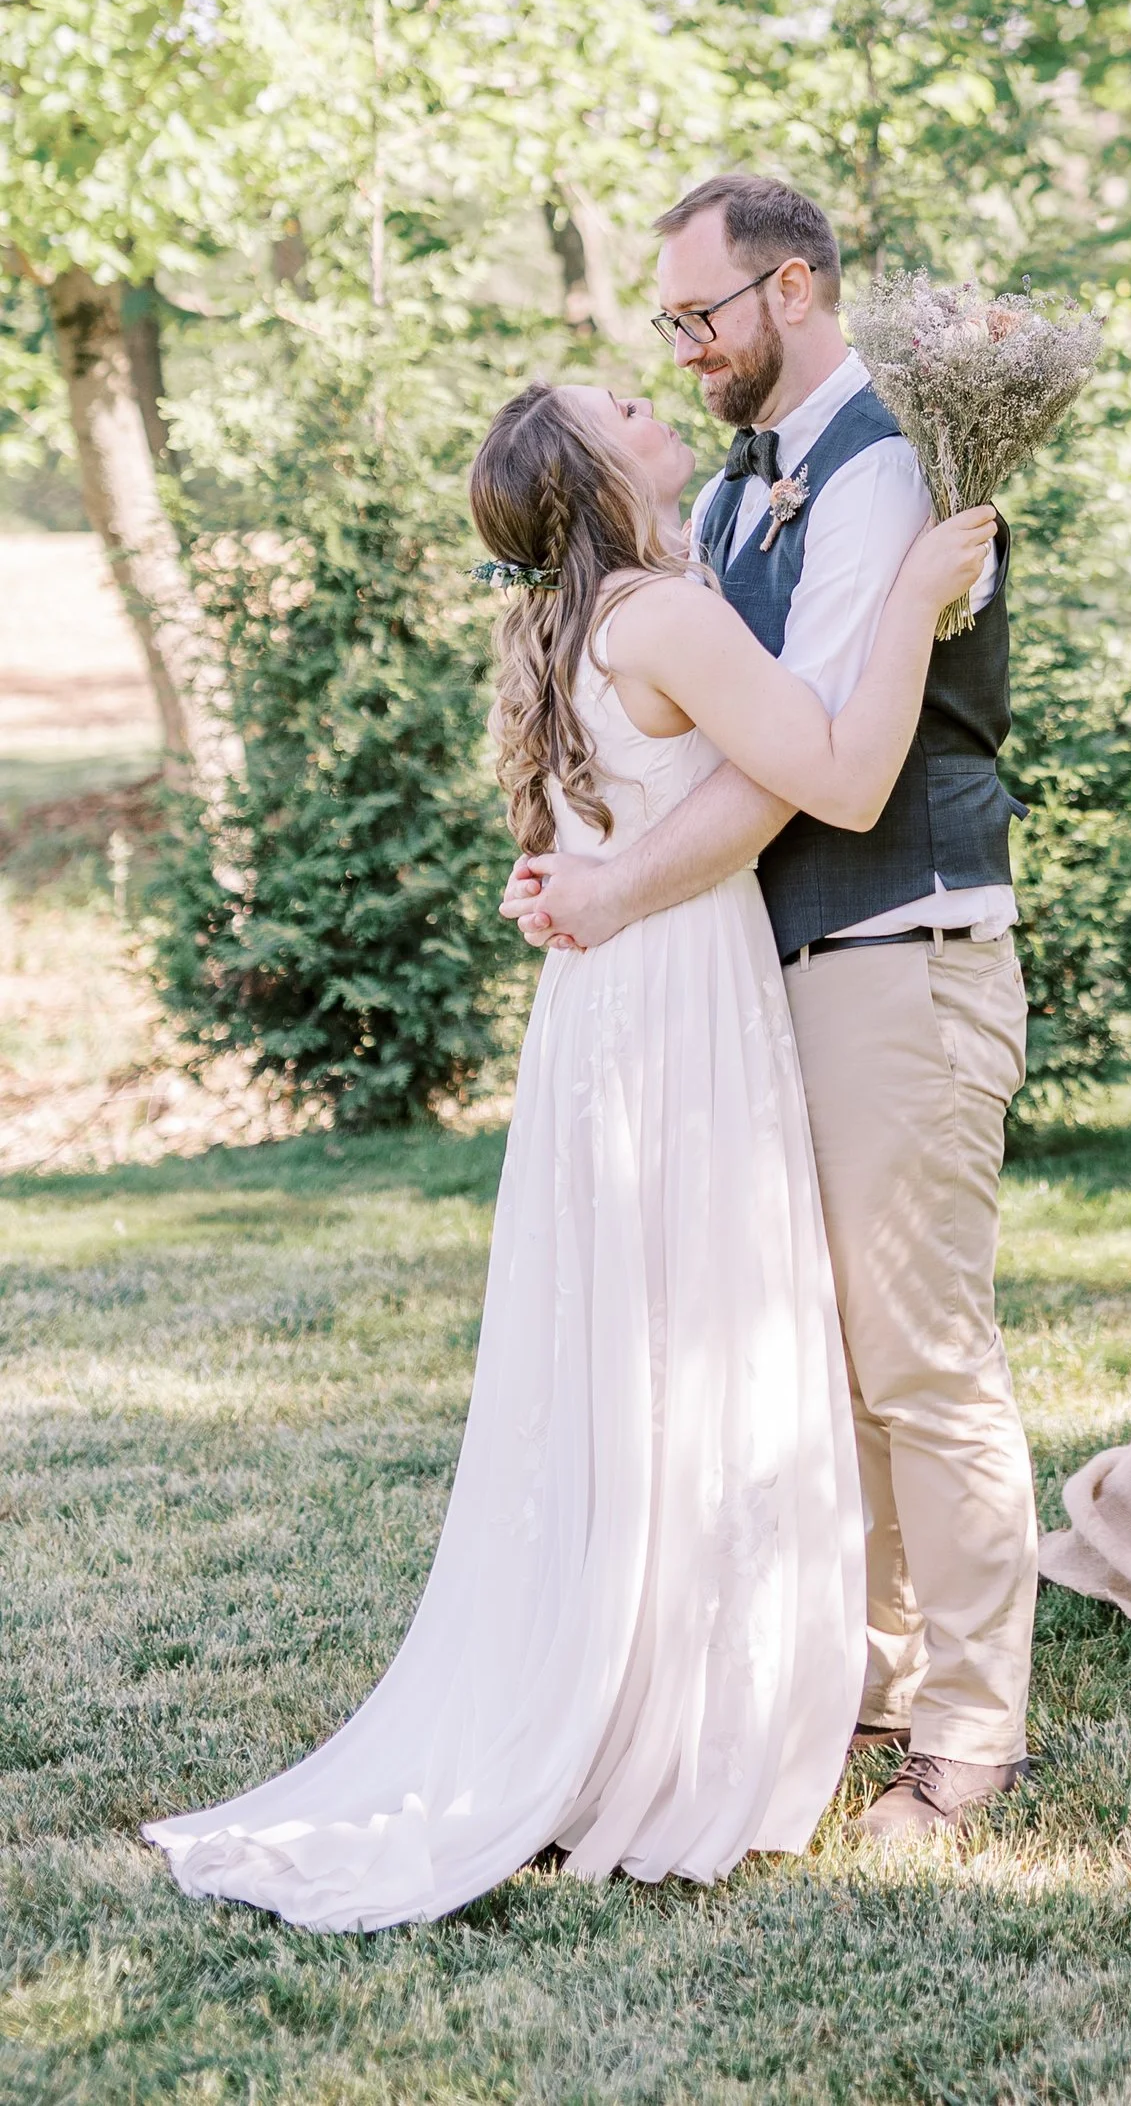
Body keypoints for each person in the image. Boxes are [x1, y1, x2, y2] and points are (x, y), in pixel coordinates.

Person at [146, 378, 992, 1931]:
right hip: (677, 995)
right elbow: (846, 774)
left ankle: (648, 1675)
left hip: (613, 996)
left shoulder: (570, 623)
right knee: (695, 1321)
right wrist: (918, 602)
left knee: (641, 1335)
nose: (640, 389)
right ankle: (688, 1709)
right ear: (600, 473)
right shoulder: (662, 611)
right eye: (613, 401)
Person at [504, 173, 1039, 1846]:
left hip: (900, 946)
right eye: (666, 325)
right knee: (832, 1350)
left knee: (920, 1354)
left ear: (791, 288)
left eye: (697, 315)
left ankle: (970, 1730)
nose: (682, 346)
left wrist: (610, 890)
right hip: (780, 974)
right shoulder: (734, 500)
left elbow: (819, 763)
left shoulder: (882, 467)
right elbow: (730, 752)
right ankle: (870, 1682)